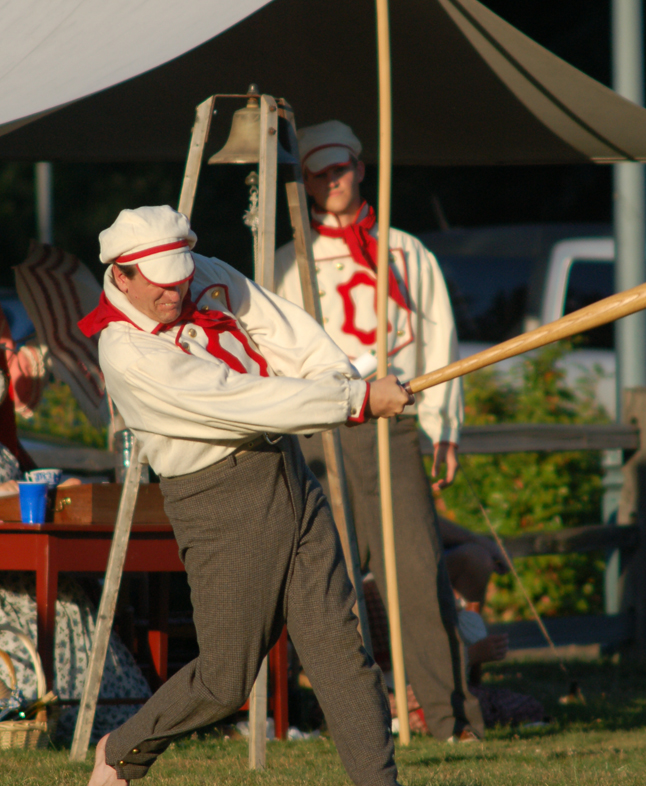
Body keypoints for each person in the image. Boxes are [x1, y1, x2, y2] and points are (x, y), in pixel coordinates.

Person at [79, 205, 413, 786]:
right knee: (225, 680)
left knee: (339, 645)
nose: (176, 288)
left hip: (285, 469)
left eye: (181, 272)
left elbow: (287, 331)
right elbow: (239, 400)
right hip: (219, 500)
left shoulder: (201, 273)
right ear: (122, 275)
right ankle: (124, 748)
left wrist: (341, 380)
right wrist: (352, 403)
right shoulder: (126, 353)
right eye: (160, 279)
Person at [274, 121, 483, 743]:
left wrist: (445, 425)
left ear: (361, 168)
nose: (333, 180)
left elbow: (440, 338)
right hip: (321, 429)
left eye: (341, 168)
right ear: (306, 180)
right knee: (323, 582)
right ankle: (343, 719)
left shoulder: (405, 251)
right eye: (319, 173)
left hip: (391, 428)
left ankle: (450, 721)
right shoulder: (290, 262)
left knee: (418, 576)